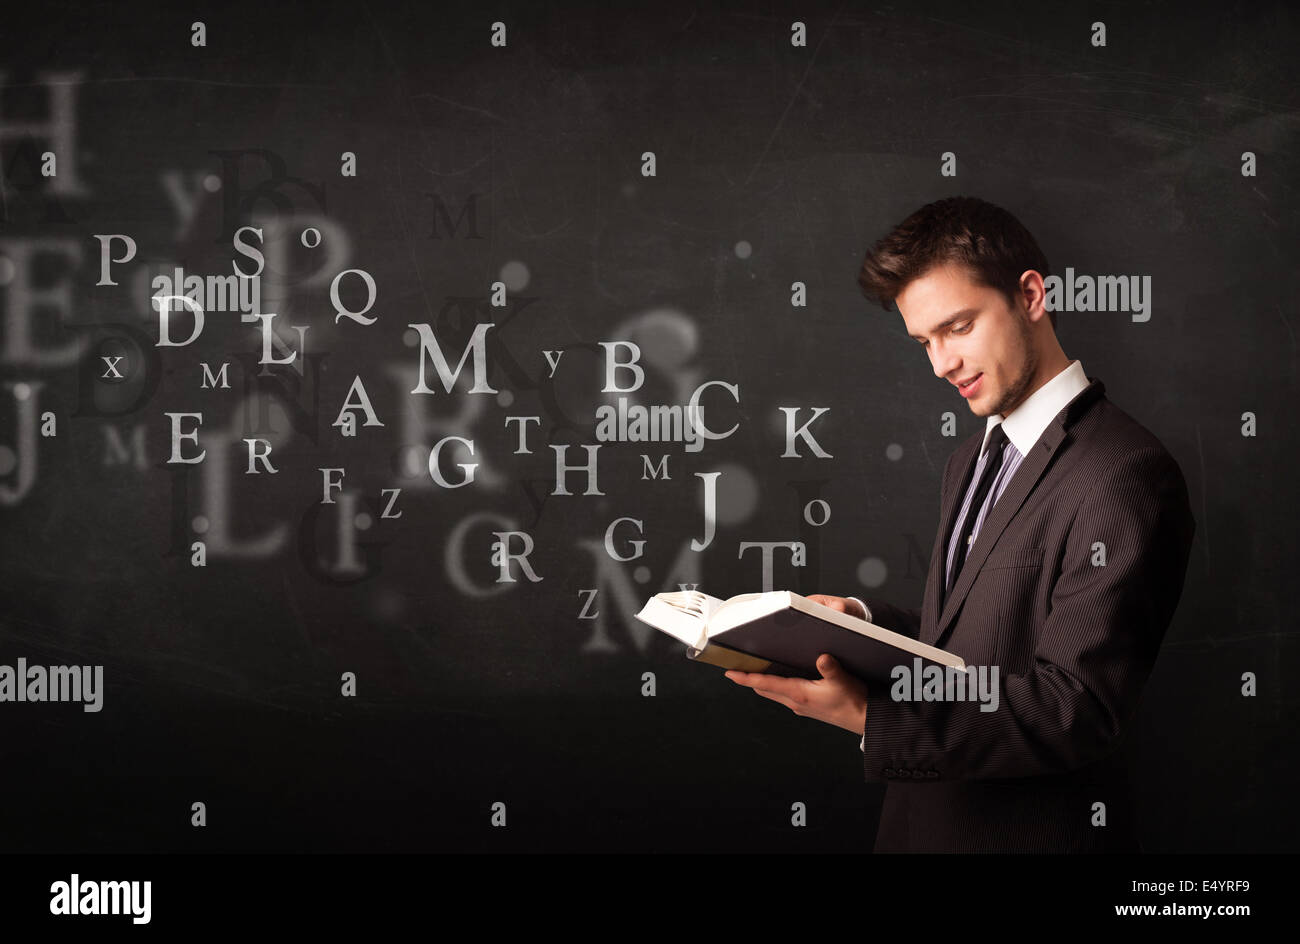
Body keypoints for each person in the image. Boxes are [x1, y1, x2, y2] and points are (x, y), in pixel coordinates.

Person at [725, 196, 1195, 852]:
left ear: (1031, 295)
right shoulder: (969, 460)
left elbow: (1075, 709)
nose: (940, 364)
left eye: (959, 328)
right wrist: (861, 625)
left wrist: (870, 717)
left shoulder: (1126, 471)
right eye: (924, 342)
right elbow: (978, 647)